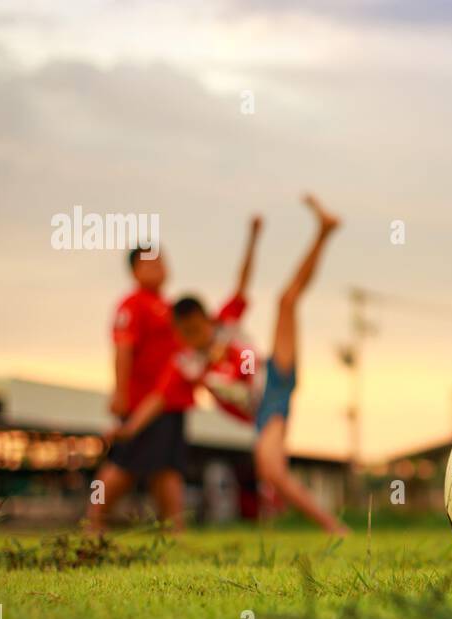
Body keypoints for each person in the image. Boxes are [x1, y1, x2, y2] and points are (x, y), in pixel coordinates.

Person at [109, 195, 350, 536]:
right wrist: (129, 428)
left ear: (208, 319)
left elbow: (243, 280)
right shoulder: (187, 364)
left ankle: (324, 232)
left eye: (199, 328)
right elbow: (158, 400)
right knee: (272, 474)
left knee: (286, 300)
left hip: (273, 379)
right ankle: (332, 527)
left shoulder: (225, 323)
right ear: (179, 334)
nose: (196, 337)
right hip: (262, 408)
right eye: (187, 333)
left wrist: (253, 238)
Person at [87, 243, 188, 531]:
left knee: (168, 468)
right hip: (141, 404)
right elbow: (123, 348)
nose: (159, 268)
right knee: (123, 466)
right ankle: (94, 520)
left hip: (169, 403)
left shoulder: (169, 308)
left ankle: (174, 531)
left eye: (162, 262)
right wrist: (120, 393)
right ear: (135, 270)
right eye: (151, 264)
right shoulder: (132, 305)